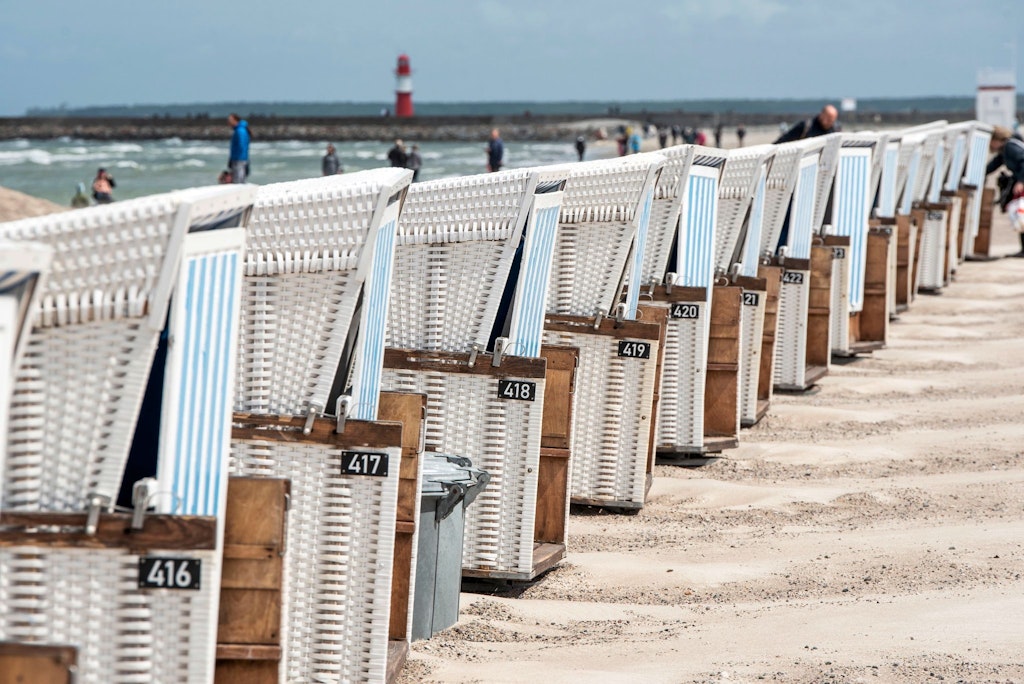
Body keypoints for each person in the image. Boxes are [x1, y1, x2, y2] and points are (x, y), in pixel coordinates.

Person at [986, 125, 1024, 256]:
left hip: (1021, 183)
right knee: (1020, 216)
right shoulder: (1005, 150)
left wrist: (1021, 181)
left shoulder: (1010, 147)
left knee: (1021, 215)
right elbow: (993, 165)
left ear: (997, 139)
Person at [227, 113, 250, 183]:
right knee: (238, 178)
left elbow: (241, 145)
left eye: (230, 120)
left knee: (239, 179)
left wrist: (236, 157)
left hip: (239, 158)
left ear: (235, 120)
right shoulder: (239, 130)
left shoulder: (240, 131)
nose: (228, 122)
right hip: (238, 158)